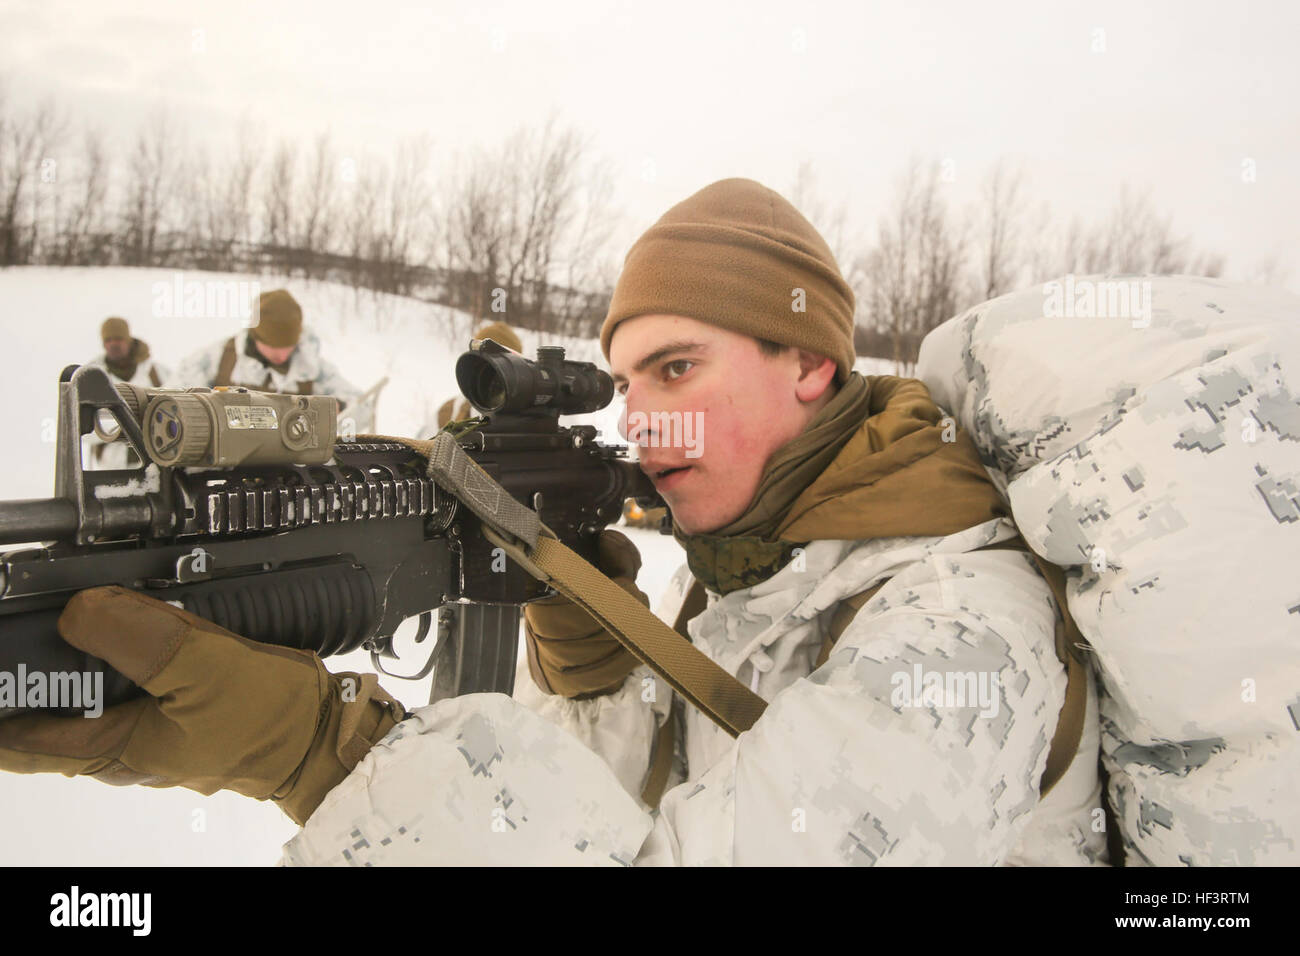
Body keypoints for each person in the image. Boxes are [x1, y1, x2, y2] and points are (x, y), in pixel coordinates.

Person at [0, 180, 1105, 866]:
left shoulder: (961, 633)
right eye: (628, 377)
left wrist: (325, 751)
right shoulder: (767, 562)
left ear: (812, 362)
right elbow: (658, 803)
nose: (643, 412)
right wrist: (601, 667)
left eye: (679, 364)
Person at [170, 289, 359, 411]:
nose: (282, 355)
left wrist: (338, 408)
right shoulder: (219, 358)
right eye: (273, 347)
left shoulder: (309, 366)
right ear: (256, 336)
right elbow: (172, 397)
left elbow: (361, 404)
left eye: (288, 347)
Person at [83, 317, 169, 468]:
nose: (113, 344)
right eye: (108, 340)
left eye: (118, 339)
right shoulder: (92, 376)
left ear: (128, 340)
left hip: (156, 459)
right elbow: (83, 429)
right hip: (111, 466)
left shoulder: (156, 372)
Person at [421, 321, 523, 437]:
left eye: (500, 366)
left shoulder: (529, 419)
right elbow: (422, 450)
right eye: (482, 362)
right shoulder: (447, 414)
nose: (490, 381)